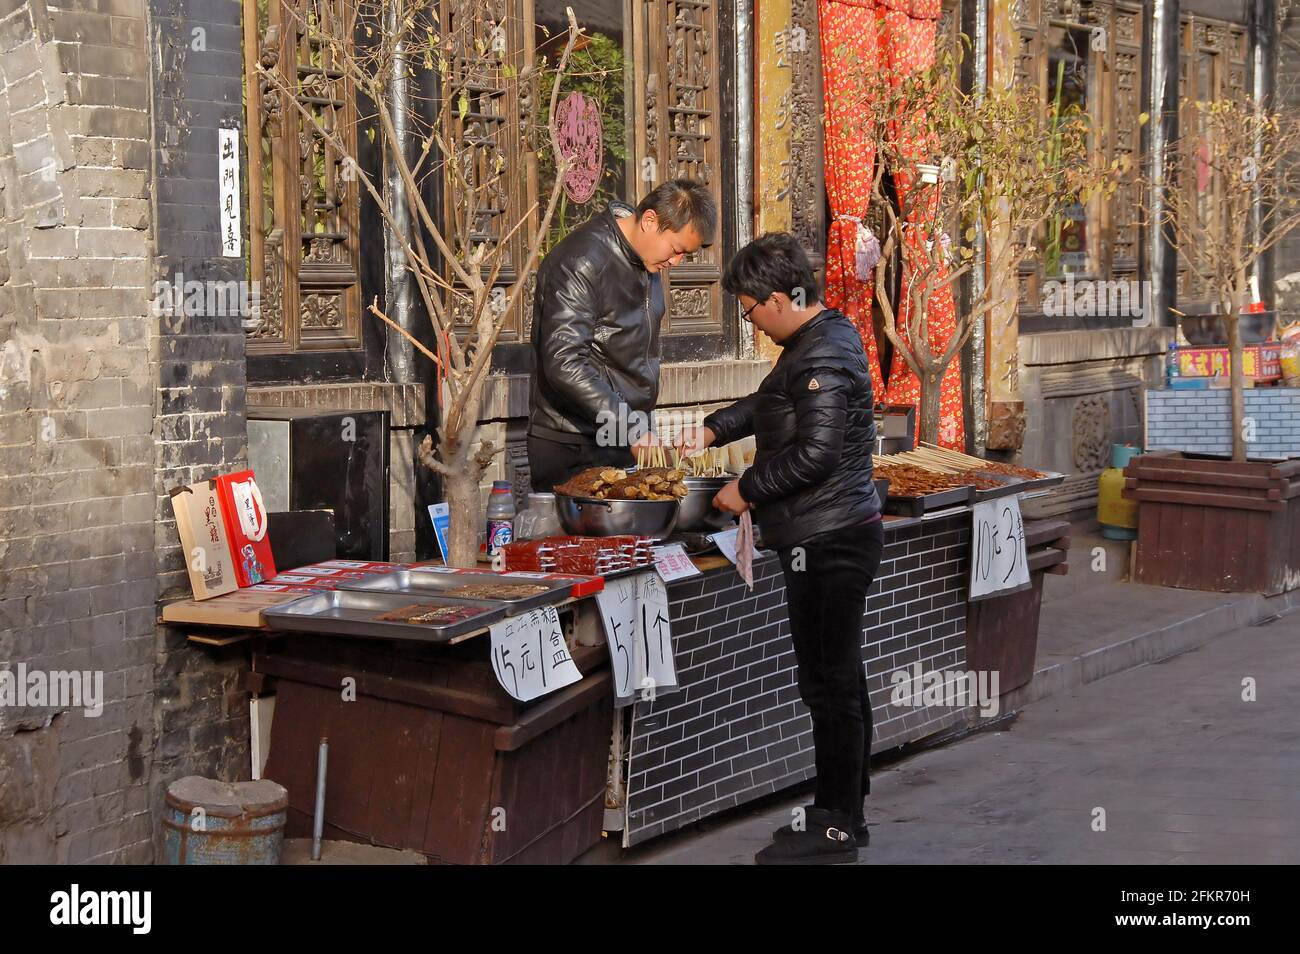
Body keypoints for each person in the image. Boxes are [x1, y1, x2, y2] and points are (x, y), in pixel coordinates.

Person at [678, 232, 884, 865]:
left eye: (748, 308)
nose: (749, 320)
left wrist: (746, 487)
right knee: (838, 678)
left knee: (830, 684)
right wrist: (714, 427)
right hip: (824, 533)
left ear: (775, 298)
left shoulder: (823, 354)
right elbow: (773, 402)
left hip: (830, 539)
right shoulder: (815, 343)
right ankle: (844, 813)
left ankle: (835, 826)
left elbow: (817, 454)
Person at [527, 180, 717, 492]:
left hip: (625, 434)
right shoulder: (582, 260)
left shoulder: (647, 261)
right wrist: (630, 427)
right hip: (577, 439)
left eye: (685, 255)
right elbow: (564, 362)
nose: (675, 262)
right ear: (650, 221)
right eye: (676, 250)